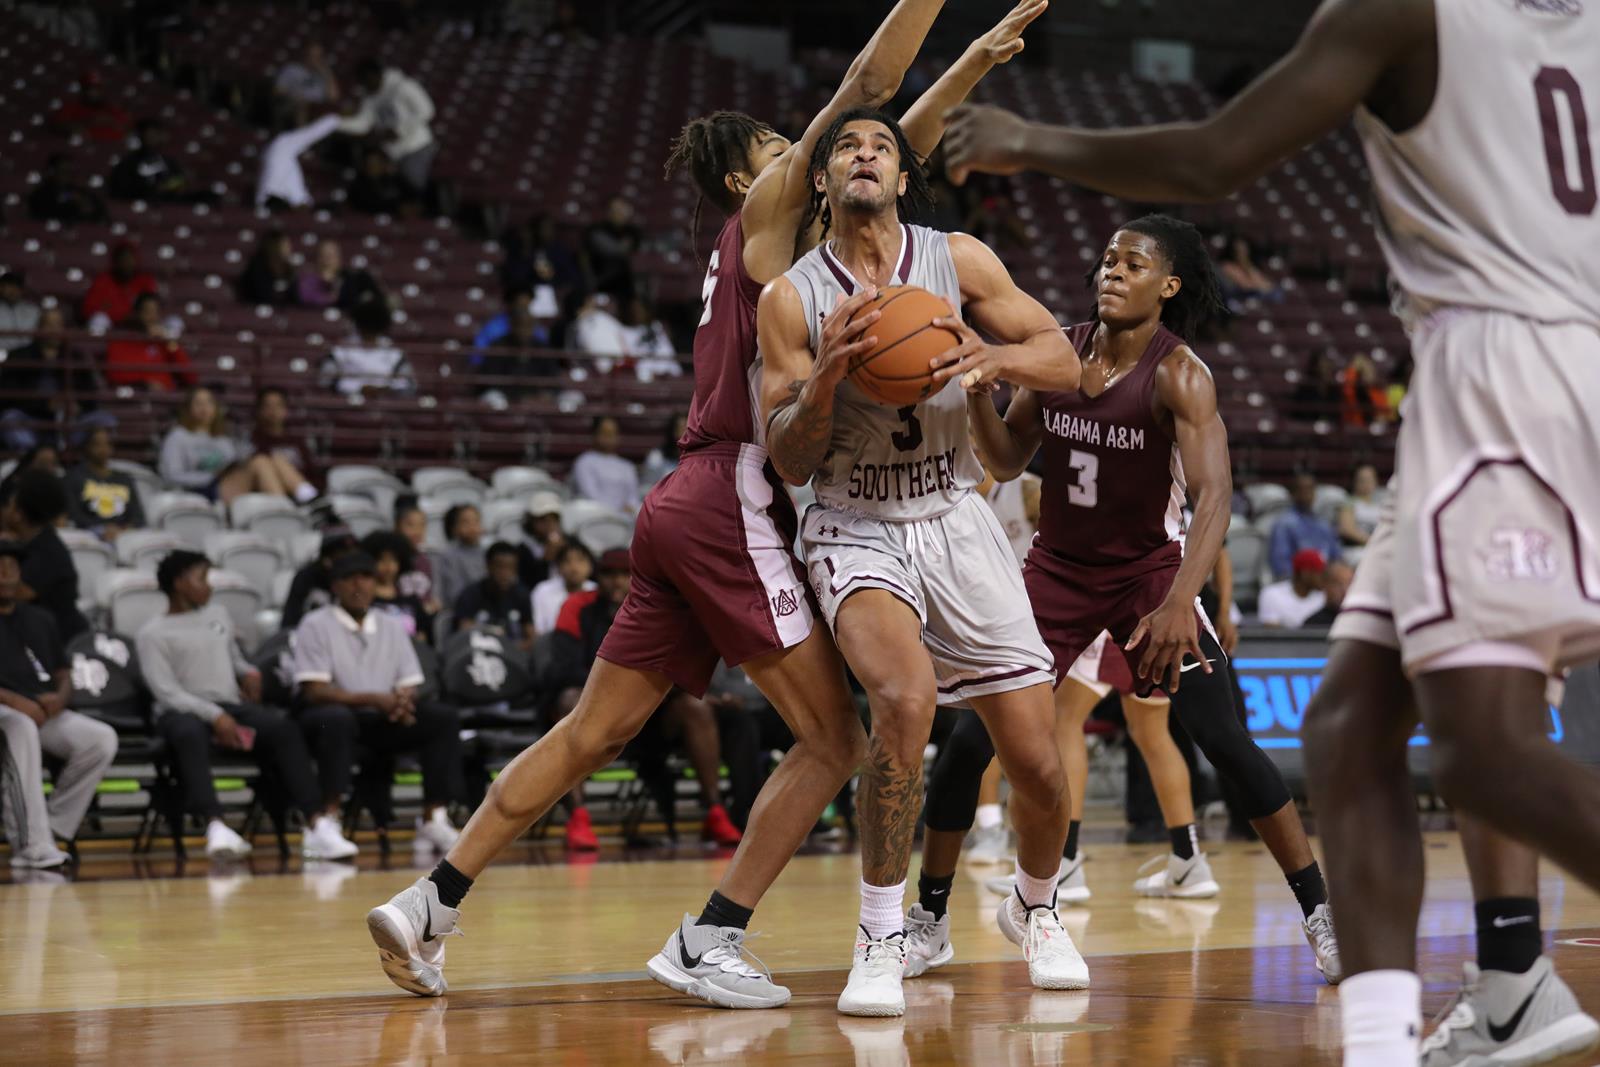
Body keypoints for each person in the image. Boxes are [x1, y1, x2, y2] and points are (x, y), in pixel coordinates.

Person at [945, 4, 1600, 1063]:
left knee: (1482, 748)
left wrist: (1031, 139)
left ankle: (1508, 976)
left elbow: (1215, 158)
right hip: (1496, 376)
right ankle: (1441, 1014)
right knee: (1347, 728)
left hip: (1509, 364)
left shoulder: (1403, 11)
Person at [366, 0, 1037, 1013]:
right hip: (737, 493)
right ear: (750, 173)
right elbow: (865, 94)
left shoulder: (788, 244)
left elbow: (894, 142)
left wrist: (973, 68)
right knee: (838, 741)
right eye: (790, 148)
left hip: (680, 500)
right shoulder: (766, 214)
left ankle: (431, 898)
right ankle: (710, 934)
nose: (819, 157)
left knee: (594, 732)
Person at [896, 216, 1338, 988]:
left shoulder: (1181, 375)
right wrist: (978, 400)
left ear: (1167, 285)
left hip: (1146, 574)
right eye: (1106, 259)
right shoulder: (1057, 356)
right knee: (969, 742)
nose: (1111, 271)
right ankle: (927, 920)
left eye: (1133, 264)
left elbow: (1214, 498)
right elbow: (1004, 458)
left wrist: (1177, 600)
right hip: (1056, 571)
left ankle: (1322, 915)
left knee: (1224, 741)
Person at [757, 100, 1089, 1012]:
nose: (864, 155)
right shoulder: (791, 297)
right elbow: (788, 454)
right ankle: (881, 928)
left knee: (1038, 762)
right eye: (845, 148)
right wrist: (825, 374)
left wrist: (992, 356)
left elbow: (1067, 361)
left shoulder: (959, 260)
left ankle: (1037, 906)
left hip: (956, 512)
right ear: (822, 181)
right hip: (855, 522)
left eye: (882, 148)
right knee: (904, 700)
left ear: (905, 177)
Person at [138, 551, 358, 861]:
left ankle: (316, 823)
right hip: (182, 711)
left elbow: (233, 659)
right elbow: (165, 692)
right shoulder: (152, 633)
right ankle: (215, 826)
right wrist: (216, 716)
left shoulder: (218, 615)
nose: (209, 586)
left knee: (282, 728)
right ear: (179, 584)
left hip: (229, 705)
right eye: (202, 579)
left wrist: (249, 672)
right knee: (188, 732)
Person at [979, 632, 1206, 906]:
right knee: (1153, 734)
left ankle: (1064, 861)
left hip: (1118, 623)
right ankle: (1188, 859)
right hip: (1156, 625)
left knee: (1065, 718)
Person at [544, 549, 743, 848]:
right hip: (596, 711)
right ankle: (578, 816)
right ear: (598, 579)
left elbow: (680, 663)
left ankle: (714, 811)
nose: (617, 583)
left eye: (625, 575)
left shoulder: (657, 609)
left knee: (695, 706)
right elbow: (562, 669)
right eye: (610, 576)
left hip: (649, 714)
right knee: (568, 700)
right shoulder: (577, 607)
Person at [292, 552, 463, 853]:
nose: (360, 585)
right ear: (335, 586)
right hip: (330, 718)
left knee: (442, 718)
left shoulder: (390, 625)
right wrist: (374, 699)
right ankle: (326, 821)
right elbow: (314, 689)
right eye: (351, 578)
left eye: (367, 577)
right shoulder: (315, 624)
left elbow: (410, 683)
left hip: (383, 717)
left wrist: (402, 703)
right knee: (335, 719)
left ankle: (432, 817)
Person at [0, 539, 117, 869]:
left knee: (100, 738)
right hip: (10, 711)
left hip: (42, 709)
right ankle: (29, 847)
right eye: (0, 566)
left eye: (12, 566)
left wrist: (61, 697)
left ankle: (49, 827)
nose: (6, 573)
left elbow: (63, 671)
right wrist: (15, 701)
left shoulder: (40, 618)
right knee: (18, 726)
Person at [161, 386, 299, 506]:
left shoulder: (222, 438)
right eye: (198, 403)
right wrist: (209, 477)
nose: (204, 408)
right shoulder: (178, 436)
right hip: (202, 490)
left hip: (228, 483)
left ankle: (309, 499)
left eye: (209, 403)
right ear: (188, 408)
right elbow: (171, 475)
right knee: (260, 462)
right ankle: (289, 509)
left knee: (275, 460)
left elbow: (233, 463)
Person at [0, 469, 88, 641]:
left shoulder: (47, 552)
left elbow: (11, 593)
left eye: (9, 503)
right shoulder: (30, 542)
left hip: (60, 645)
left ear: (18, 515)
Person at [1, 306, 104, 452]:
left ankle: (71, 460)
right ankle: (32, 459)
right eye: (48, 324)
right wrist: (45, 405)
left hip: (69, 423)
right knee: (9, 420)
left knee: (103, 420)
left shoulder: (76, 358)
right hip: (31, 420)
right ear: (39, 328)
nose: (53, 330)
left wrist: (78, 406)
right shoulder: (19, 356)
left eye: (57, 324)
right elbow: (8, 397)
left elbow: (91, 394)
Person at [338, 58, 437, 193]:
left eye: (365, 80)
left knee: (413, 182)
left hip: (417, 145)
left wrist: (400, 130)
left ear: (375, 75)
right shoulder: (369, 97)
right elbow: (363, 123)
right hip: (393, 151)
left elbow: (427, 110)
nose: (364, 85)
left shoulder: (403, 85)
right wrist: (336, 123)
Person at [63, 426, 145, 541]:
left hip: (123, 533)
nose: (103, 449)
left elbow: (138, 516)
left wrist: (122, 529)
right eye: (97, 444)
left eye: (107, 444)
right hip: (90, 534)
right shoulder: (74, 478)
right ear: (86, 447)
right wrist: (103, 528)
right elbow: (74, 516)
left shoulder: (124, 479)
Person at [477, 299, 562, 407]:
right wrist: (519, 396)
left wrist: (544, 394)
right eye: (520, 325)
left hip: (535, 398)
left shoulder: (542, 348)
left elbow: (553, 379)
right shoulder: (498, 346)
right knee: (495, 400)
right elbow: (491, 381)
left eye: (528, 326)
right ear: (511, 325)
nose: (523, 330)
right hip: (505, 397)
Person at [109, 119, 215, 204]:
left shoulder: (167, 160)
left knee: (207, 197)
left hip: (170, 202)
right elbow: (122, 190)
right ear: (141, 136)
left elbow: (179, 180)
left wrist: (175, 184)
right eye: (150, 134)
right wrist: (153, 189)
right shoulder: (129, 162)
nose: (154, 137)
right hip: (146, 202)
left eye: (157, 134)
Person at [105, 294, 195, 392]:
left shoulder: (164, 342)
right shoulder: (120, 341)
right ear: (136, 314)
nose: (152, 317)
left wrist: (170, 342)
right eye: (147, 312)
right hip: (136, 398)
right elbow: (115, 375)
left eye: (156, 312)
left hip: (166, 400)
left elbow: (190, 377)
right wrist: (143, 383)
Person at [322, 302, 413, 397]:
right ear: (358, 325)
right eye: (366, 323)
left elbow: (406, 384)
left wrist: (386, 389)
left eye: (374, 324)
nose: (369, 328)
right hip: (349, 402)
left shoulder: (394, 352)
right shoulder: (341, 350)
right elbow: (326, 382)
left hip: (385, 402)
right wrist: (358, 389)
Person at [453, 541, 532, 649]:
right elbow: (464, 633)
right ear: (488, 566)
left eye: (511, 568)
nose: (505, 573)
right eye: (500, 567)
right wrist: (492, 634)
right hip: (480, 655)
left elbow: (531, 637)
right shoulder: (471, 594)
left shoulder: (521, 594)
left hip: (513, 656)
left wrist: (509, 648)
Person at [249, 386, 320, 502]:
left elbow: (311, 472)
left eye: (278, 405)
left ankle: (311, 500)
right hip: (271, 495)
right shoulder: (253, 440)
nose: (273, 411)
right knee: (272, 460)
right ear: (259, 410)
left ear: (286, 410)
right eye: (268, 406)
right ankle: (306, 502)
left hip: (298, 492)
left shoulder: (297, 441)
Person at [1266, 473, 1341, 579]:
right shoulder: (1283, 524)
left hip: (1324, 582)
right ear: (1293, 494)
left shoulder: (1323, 523)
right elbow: (1281, 566)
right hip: (1300, 584)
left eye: (1310, 489)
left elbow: (1336, 556)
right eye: (1302, 489)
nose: (1307, 494)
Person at [282, 527, 359, 629]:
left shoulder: (359, 578)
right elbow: (290, 622)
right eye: (343, 552)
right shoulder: (306, 578)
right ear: (327, 557)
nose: (349, 559)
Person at [363, 530, 433, 641]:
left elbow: (423, 638)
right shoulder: (363, 602)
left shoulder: (411, 600)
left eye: (393, 560)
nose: (388, 566)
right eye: (381, 560)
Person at [569, 415, 640, 513]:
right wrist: (617, 510)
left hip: (625, 520)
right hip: (595, 517)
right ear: (594, 434)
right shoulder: (584, 462)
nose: (609, 438)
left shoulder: (627, 466)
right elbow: (589, 495)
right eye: (605, 433)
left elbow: (633, 497)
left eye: (612, 434)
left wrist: (631, 508)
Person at [82, 243, 159, 332]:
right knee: (99, 320)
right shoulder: (102, 281)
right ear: (116, 261)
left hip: (141, 327)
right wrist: (122, 317)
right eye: (123, 259)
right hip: (110, 329)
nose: (126, 263)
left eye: (130, 259)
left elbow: (152, 309)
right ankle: (97, 346)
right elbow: (88, 310)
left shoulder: (145, 281)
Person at [297, 240, 385, 313]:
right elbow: (305, 298)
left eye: (333, 256)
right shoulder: (309, 279)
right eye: (326, 256)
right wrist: (328, 294)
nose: (329, 260)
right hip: (317, 317)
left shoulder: (350, 278)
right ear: (318, 258)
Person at [583, 196, 643, 299]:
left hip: (626, 283)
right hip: (601, 280)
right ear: (609, 212)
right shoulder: (597, 229)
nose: (620, 213)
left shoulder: (632, 231)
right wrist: (622, 247)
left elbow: (638, 250)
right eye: (616, 209)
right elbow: (618, 250)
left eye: (622, 209)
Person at [530, 540, 593, 637]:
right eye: (567, 561)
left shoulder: (597, 591)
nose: (574, 567)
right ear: (558, 566)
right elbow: (538, 631)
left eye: (580, 560)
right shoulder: (542, 591)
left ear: (590, 566)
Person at [49, 70, 130, 143]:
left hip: (113, 148)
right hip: (84, 151)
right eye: (90, 88)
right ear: (82, 90)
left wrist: (110, 121)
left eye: (97, 88)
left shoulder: (111, 108)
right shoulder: (71, 107)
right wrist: (86, 122)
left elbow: (127, 128)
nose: (94, 92)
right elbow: (57, 125)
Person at [431, 504, 485, 612]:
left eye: (476, 521)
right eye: (466, 522)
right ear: (454, 528)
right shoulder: (447, 556)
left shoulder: (487, 553)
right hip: (458, 612)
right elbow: (453, 594)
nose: (472, 526)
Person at [28, 153, 109, 224]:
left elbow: (98, 215)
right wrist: (69, 197)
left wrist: (84, 204)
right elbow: (42, 214)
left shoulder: (81, 192)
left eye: (71, 171)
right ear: (51, 171)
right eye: (63, 170)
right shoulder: (40, 194)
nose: (68, 175)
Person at [273, 42, 340, 127]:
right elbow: (278, 91)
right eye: (312, 55)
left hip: (317, 110)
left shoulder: (323, 75)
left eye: (319, 56)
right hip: (294, 105)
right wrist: (294, 97)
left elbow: (333, 97)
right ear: (305, 55)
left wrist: (327, 74)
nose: (315, 59)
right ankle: (302, 135)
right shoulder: (291, 69)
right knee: (302, 106)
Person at [1259, 548, 1329, 628]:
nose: (1325, 578)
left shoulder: (1325, 596)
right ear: (1306, 574)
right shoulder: (1271, 594)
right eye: (1321, 573)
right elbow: (1273, 635)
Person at [346, 147, 421, 217]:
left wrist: (412, 205)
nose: (373, 166)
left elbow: (413, 194)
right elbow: (366, 206)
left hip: (400, 223)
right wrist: (397, 208)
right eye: (370, 163)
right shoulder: (358, 185)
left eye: (377, 162)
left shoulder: (393, 179)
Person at [514, 490, 565, 590]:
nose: (549, 525)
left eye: (553, 519)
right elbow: (529, 585)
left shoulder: (570, 543)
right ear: (531, 521)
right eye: (543, 519)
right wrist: (545, 561)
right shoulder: (522, 550)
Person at [236, 229, 298, 306]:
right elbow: (259, 294)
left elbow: (294, 295)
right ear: (274, 247)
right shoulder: (257, 267)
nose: (289, 248)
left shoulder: (288, 268)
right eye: (285, 245)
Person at [1216, 234, 1282, 304]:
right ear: (1232, 251)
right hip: (1245, 296)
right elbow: (1245, 287)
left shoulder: (1250, 265)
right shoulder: (1227, 266)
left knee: (1278, 293)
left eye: (1244, 249)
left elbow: (1265, 282)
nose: (1242, 253)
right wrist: (1262, 287)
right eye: (1238, 250)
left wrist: (1246, 266)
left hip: (1261, 294)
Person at [1286, 348, 1343, 424]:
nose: (1329, 367)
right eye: (1325, 363)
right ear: (1316, 366)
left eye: (1330, 363)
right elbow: (1302, 417)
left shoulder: (1334, 390)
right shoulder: (1305, 389)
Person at [1335, 462, 1383, 548]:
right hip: (1356, 549)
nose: (1366, 484)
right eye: (1362, 480)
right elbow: (1346, 530)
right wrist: (1373, 542)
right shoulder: (1348, 502)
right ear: (1354, 481)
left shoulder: (1381, 505)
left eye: (1370, 479)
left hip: (1378, 548)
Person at [640, 413, 687, 489]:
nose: (686, 434)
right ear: (673, 432)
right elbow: (646, 488)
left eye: (688, 429)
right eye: (682, 429)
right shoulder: (656, 457)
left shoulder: (699, 458)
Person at [0, 271, 41, 352]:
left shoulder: (33, 310)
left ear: (22, 289)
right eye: (8, 286)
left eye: (16, 287)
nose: (12, 290)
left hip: (26, 353)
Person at [1305, 560, 1354, 627]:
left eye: (1349, 583)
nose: (1344, 590)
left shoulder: (1361, 621)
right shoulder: (1312, 625)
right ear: (1325, 585)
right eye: (1338, 584)